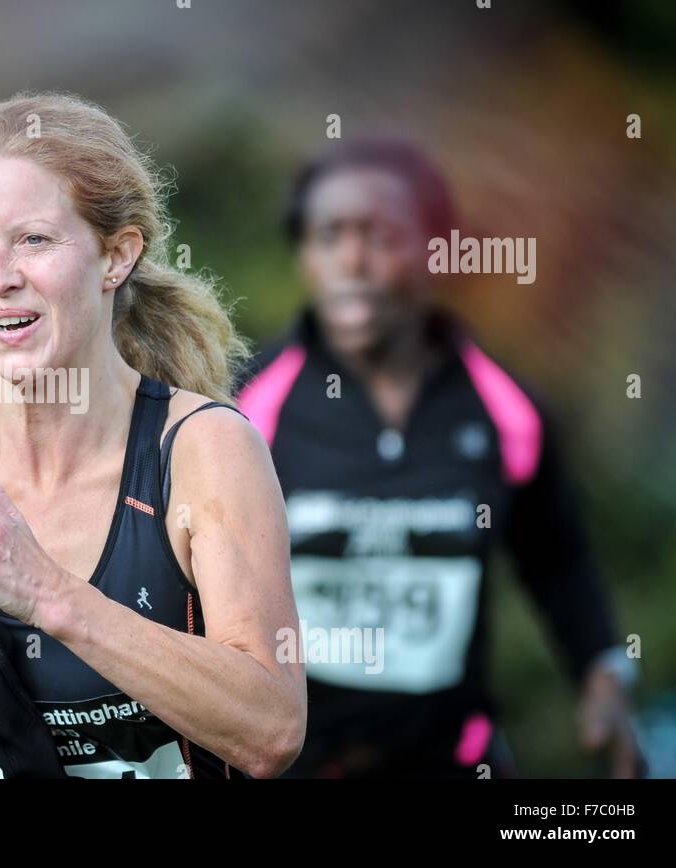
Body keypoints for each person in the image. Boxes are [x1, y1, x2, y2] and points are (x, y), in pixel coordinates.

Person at [0, 92, 306, 779]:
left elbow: (271, 728)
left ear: (116, 256)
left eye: (34, 240)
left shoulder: (201, 454)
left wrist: (49, 593)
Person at [237, 139, 644, 777]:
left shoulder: (506, 410)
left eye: (382, 235)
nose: (352, 260)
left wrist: (604, 678)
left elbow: (559, 562)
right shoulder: (244, 404)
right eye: (328, 235)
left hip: (454, 761)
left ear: (438, 248)